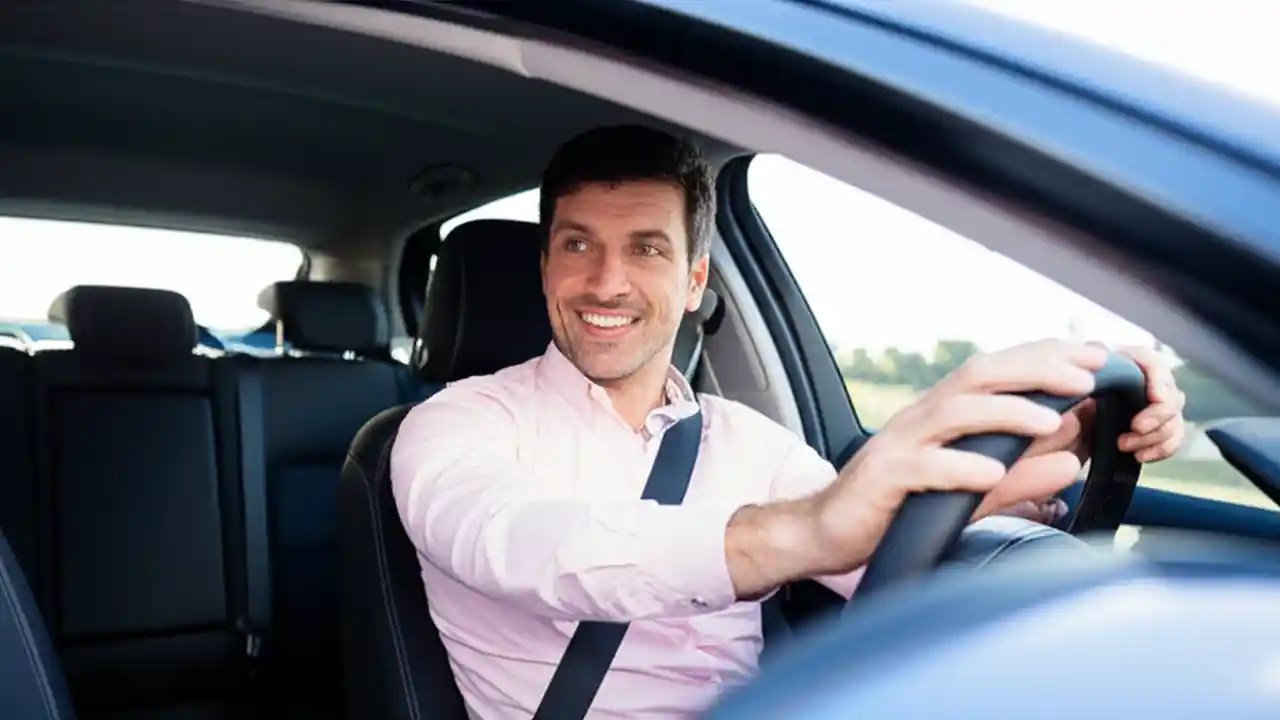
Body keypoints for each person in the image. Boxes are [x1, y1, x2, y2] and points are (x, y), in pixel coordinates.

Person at [390, 125, 1186, 718]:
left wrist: (1066, 437)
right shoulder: (454, 426)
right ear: (545, 268)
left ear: (695, 280)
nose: (607, 282)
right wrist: (804, 530)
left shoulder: (751, 442)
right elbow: (531, 548)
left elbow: (878, 551)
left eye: (647, 249)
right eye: (577, 246)